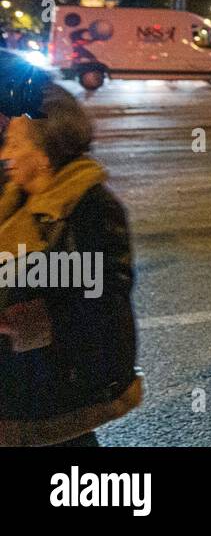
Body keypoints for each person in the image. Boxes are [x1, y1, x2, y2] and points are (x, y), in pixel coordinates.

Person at [0, 86, 141, 446]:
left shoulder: (90, 206)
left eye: (15, 144)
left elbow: (99, 287)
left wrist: (20, 299)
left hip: (58, 383)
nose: (5, 154)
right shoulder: (14, 198)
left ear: (45, 154)